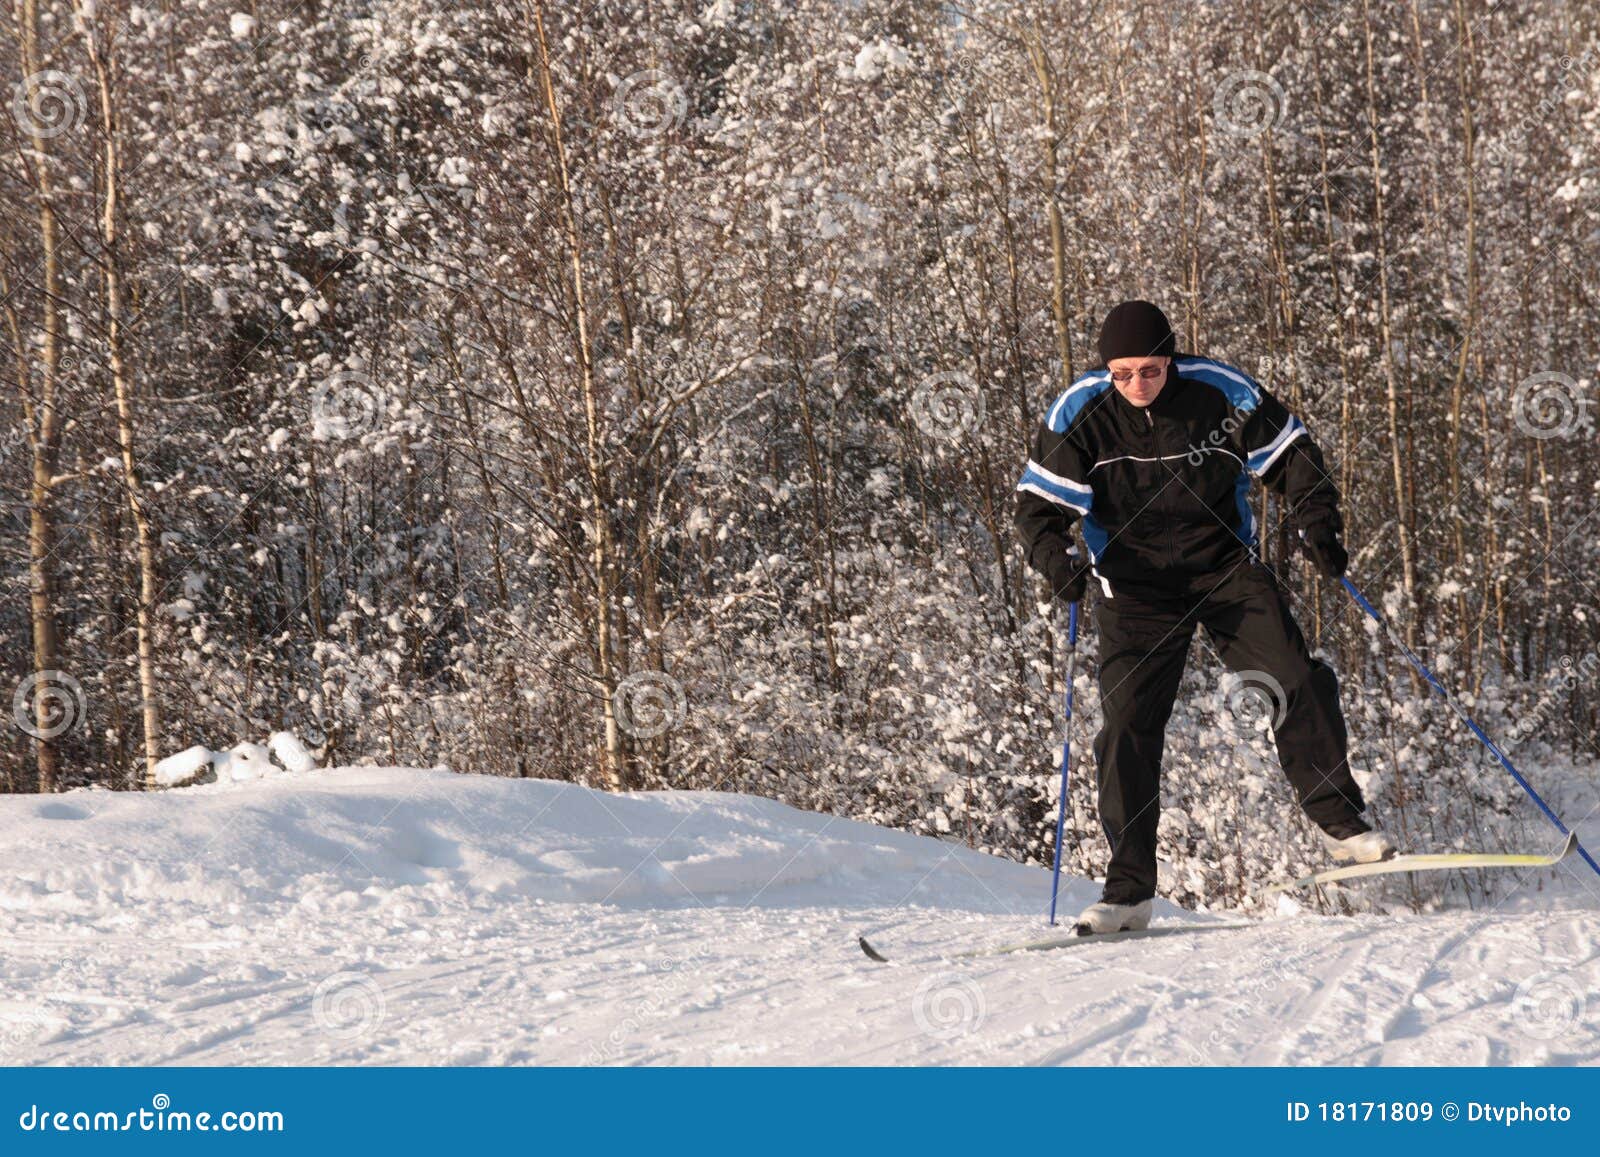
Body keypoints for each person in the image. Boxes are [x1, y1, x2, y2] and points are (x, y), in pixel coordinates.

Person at [1014, 300, 1394, 934]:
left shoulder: (1221, 391)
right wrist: (1057, 561)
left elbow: (1294, 456)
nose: (1138, 384)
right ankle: (1129, 892)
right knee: (1128, 726)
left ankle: (1340, 825)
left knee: (1295, 680)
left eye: (1152, 370)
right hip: (1134, 589)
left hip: (1222, 571)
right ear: (1108, 370)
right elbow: (1037, 508)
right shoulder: (1079, 410)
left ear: (1174, 359)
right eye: (1124, 373)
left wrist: (1318, 523)